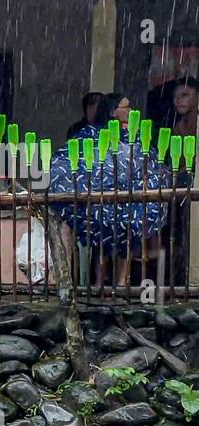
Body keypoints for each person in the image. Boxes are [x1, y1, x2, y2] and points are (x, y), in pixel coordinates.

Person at [46, 92, 170, 288]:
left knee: (130, 228)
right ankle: (86, 281)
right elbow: (75, 163)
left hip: (127, 200)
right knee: (89, 229)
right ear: (113, 111)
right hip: (98, 200)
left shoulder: (135, 137)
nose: (131, 111)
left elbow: (146, 164)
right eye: (126, 107)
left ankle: (122, 283)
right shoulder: (91, 134)